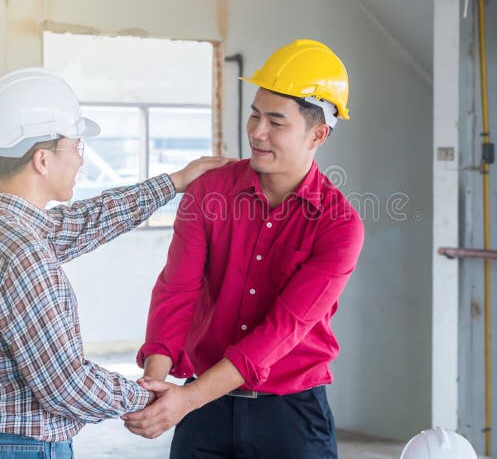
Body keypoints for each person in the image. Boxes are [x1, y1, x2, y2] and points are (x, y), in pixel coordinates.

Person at [0, 67, 229, 458]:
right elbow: (65, 384)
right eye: (76, 148)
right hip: (17, 448)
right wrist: (149, 397)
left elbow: (79, 223)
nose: (81, 160)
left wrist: (173, 182)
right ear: (42, 159)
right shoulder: (23, 251)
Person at [123, 39, 365, 458]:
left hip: (290, 416)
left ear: (318, 134)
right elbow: (177, 291)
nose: (256, 131)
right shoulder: (209, 192)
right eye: (255, 114)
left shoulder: (338, 226)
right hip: (204, 411)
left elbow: (280, 331)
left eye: (276, 121)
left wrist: (186, 400)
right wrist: (155, 383)